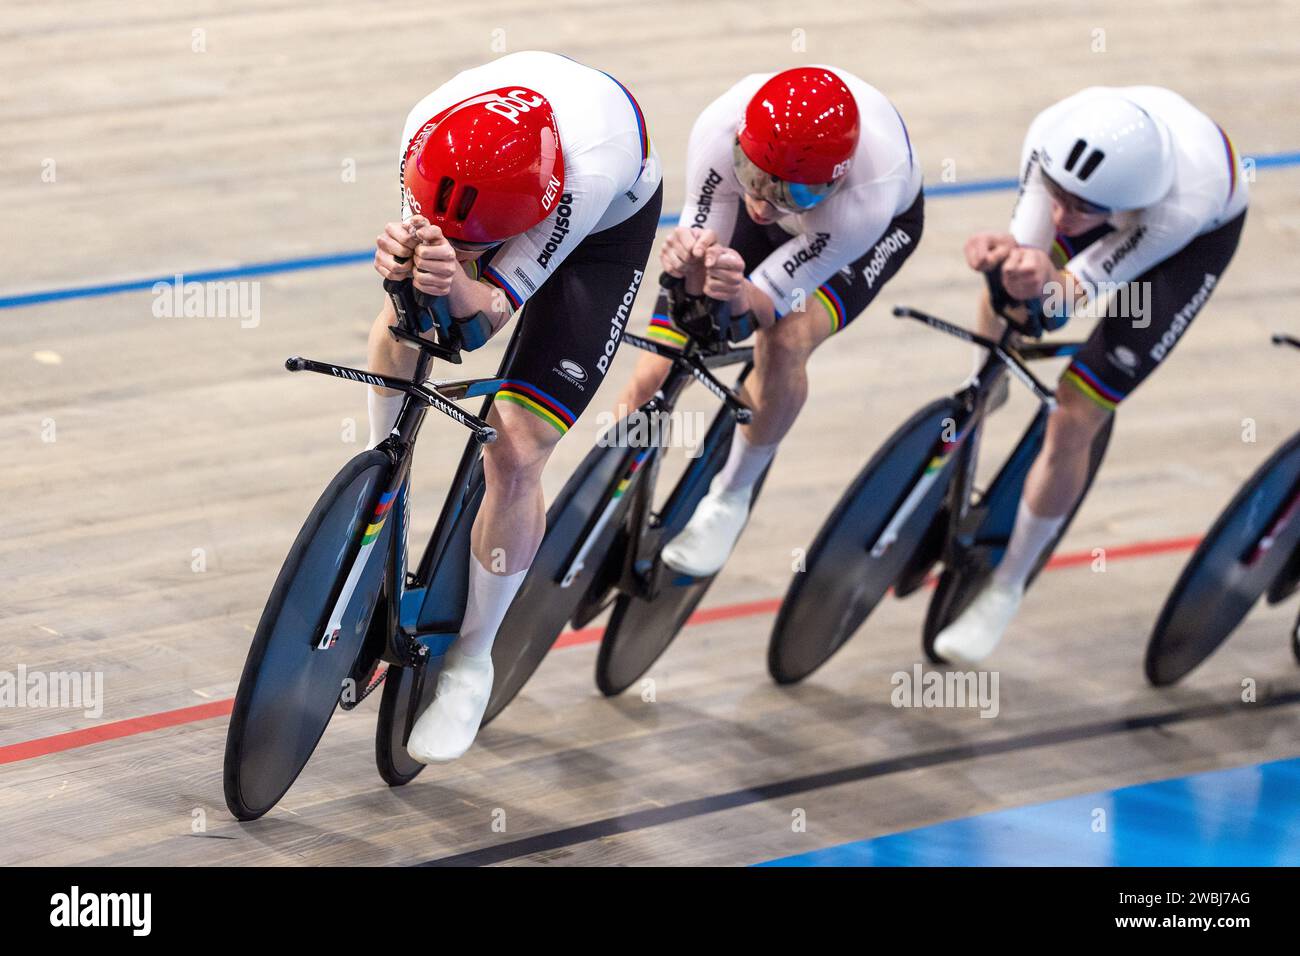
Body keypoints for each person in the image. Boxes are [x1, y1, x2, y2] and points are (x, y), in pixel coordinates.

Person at [370, 51, 662, 761]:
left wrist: (465, 285)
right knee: (403, 311)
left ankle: (473, 658)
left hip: (599, 233)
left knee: (518, 448)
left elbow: (482, 322)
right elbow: (422, 286)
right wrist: (409, 267)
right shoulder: (425, 132)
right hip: (489, 184)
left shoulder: (586, 176)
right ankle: (380, 485)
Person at [935, 86, 1249, 665]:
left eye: (1078, 210)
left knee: (1075, 413)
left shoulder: (1178, 208)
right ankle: (985, 393)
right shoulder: (1052, 133)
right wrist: (1010, 261)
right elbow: (1030, 266)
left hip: (1190, 243)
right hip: (1108, 192)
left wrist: (1046, 286)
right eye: (1058, 196)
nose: (1061, 216)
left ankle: (1007, 585)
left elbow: (1068, 298)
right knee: (1010, 291)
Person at [615, 66, 924, 577]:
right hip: (789, 204)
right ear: (740, 145)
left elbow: (759, 308)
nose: (761, 205)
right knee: (652, 372)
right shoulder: (719, 131)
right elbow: (700, 263)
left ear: (836, 178)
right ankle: (608, 499)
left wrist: (737, 297)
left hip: (857, 237)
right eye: (754, 179)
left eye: (789, 193)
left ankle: (731, 496)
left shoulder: (866, 198)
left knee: (785, 339)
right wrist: (693, 275)